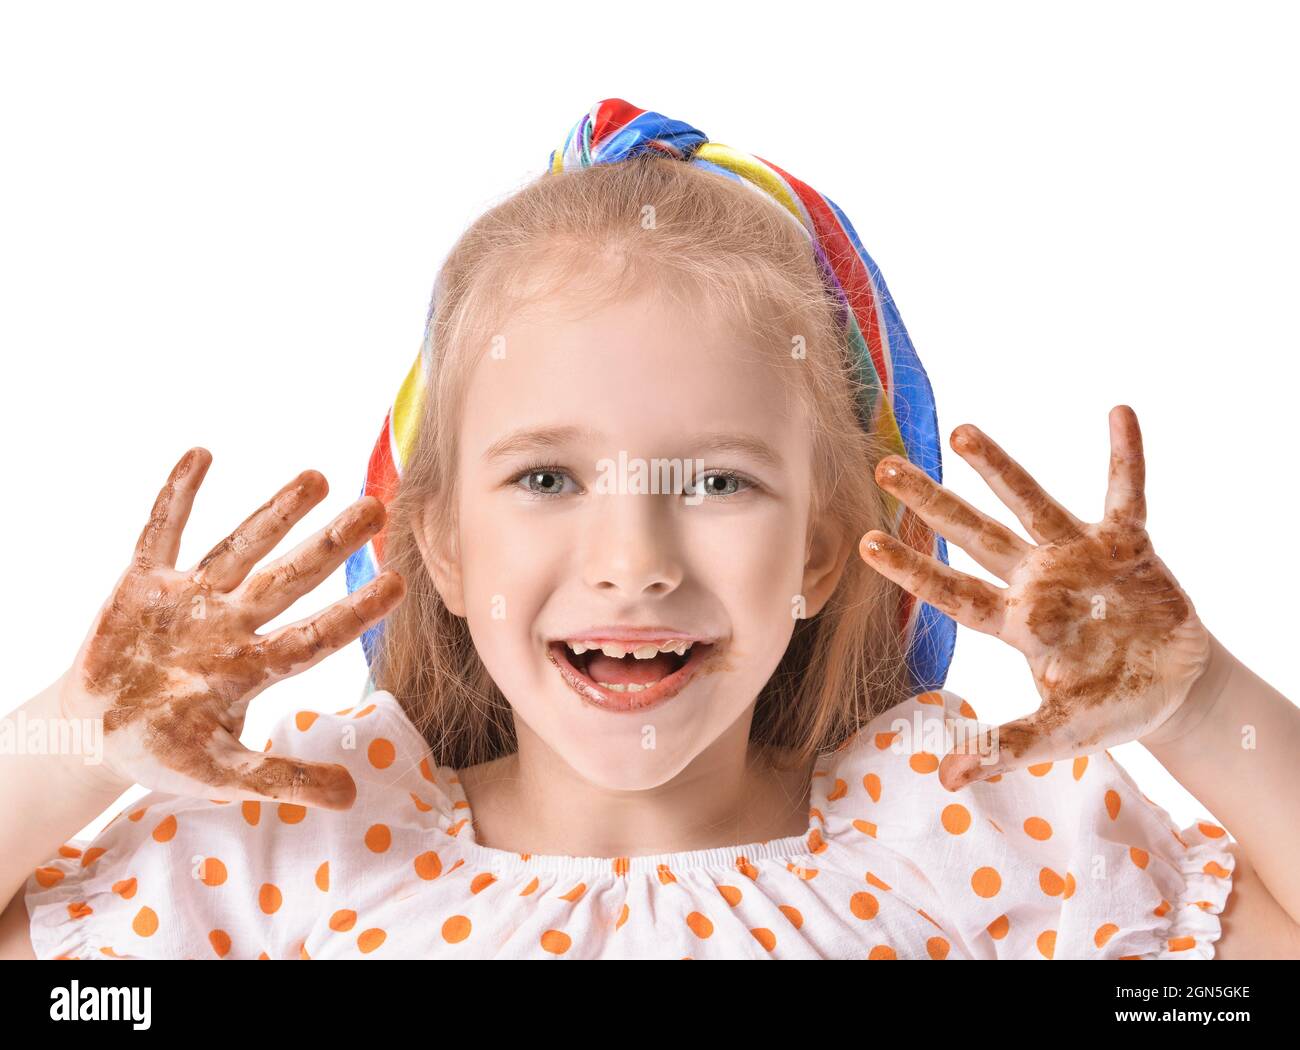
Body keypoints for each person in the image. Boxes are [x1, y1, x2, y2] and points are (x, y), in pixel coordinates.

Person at [3, 100, 1296, 959]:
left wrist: (1196, 701)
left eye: (718, 483)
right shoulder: (305, 846)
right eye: (549, 479)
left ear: (821, 547)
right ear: (437, 543)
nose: (635, 559)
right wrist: (79, 731)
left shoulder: (970, 842)